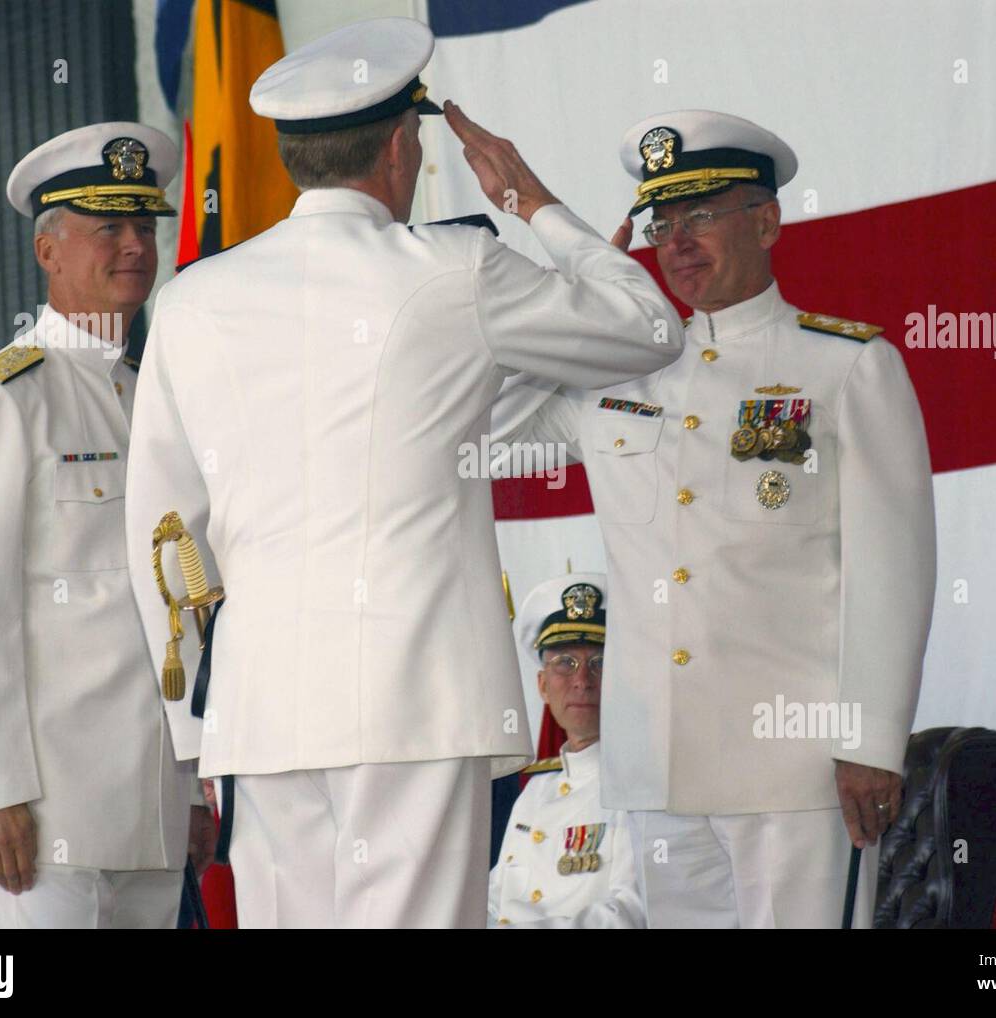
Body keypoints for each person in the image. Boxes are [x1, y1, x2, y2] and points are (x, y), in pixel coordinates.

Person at [122, 17, 680, 929]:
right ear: (399, 145)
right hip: (415, 705)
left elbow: (166, 535)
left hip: (260, 722)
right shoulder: (454, 269)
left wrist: (194, 736)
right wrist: (532, 200)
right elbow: (647, 326)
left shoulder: (188, 304)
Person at [491, 110, 936, 927]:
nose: (676, 241)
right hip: (656, 767)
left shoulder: (845, 367)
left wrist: (871, 743)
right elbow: (489, 420)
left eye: (700, 214)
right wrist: (584, 267)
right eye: (662, 223)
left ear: (766, 221)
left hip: (794, 769)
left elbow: (893, 571)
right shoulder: (622, 375)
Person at [0, 123, 214, 928]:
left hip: (151, 809)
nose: (134, 246)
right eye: (107, 227)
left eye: (144, 225)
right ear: (48, 251)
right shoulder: (0, 400)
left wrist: (191, 783)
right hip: (46, 820)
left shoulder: (159, 397)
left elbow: (177, 606)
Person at [488, 574, 642, 928]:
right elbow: (496, 899)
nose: (582, 680)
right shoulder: (534, 793)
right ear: (542, 685)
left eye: (600, 663)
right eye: (565, 663)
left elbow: (632, 912)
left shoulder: (641, 790)